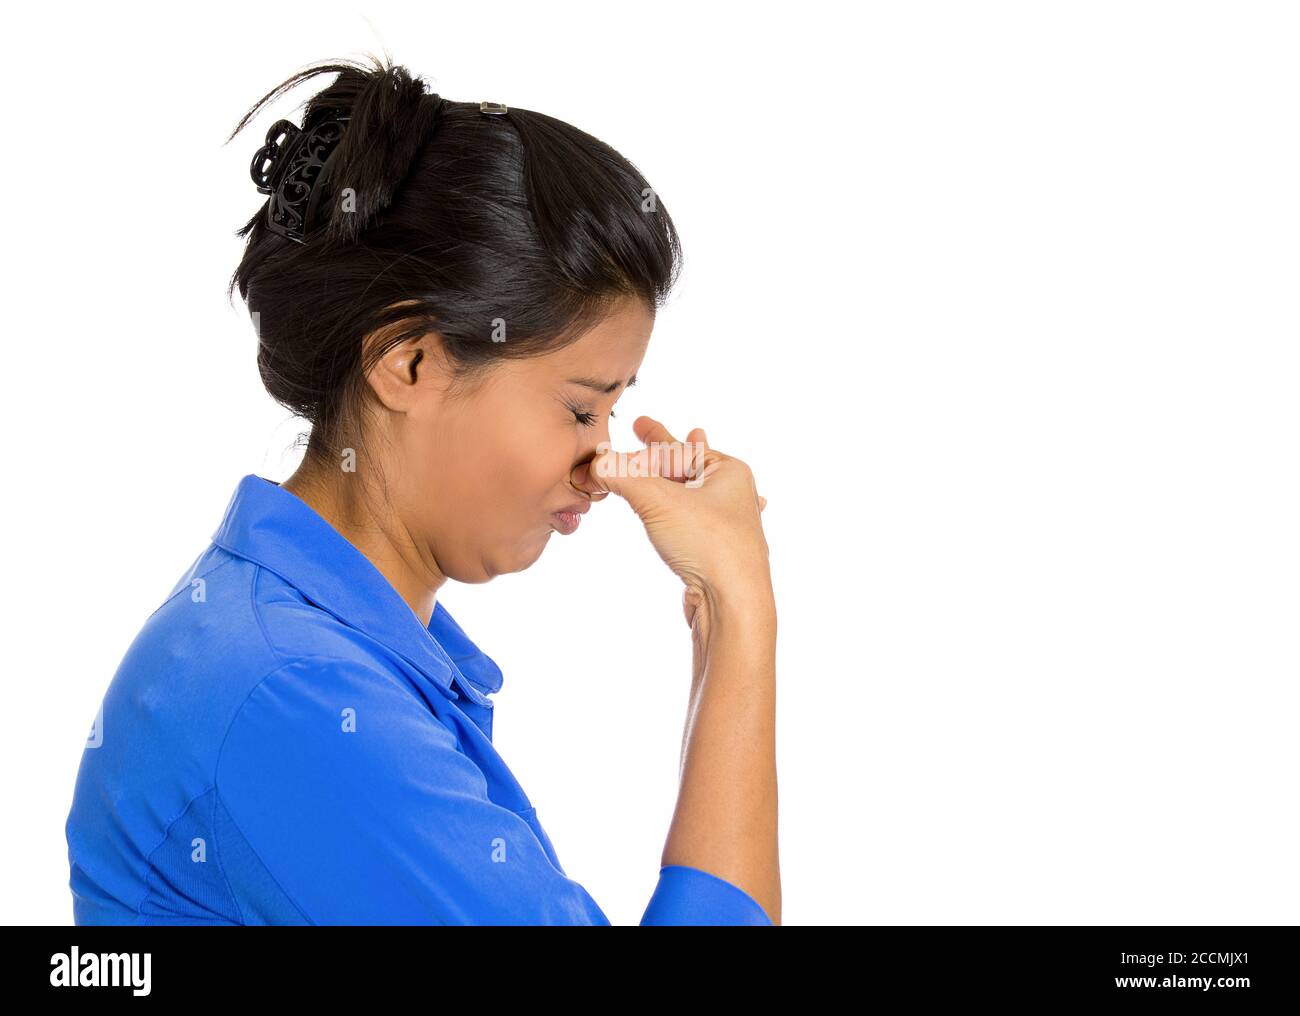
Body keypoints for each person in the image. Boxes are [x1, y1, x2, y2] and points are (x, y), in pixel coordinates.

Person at [64, 54, 779, 925]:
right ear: (408, 361)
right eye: (581, 408)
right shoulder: (295, 694)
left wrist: (715, 623)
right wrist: (743, 612)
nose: (603, 465)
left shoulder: (318, 651)